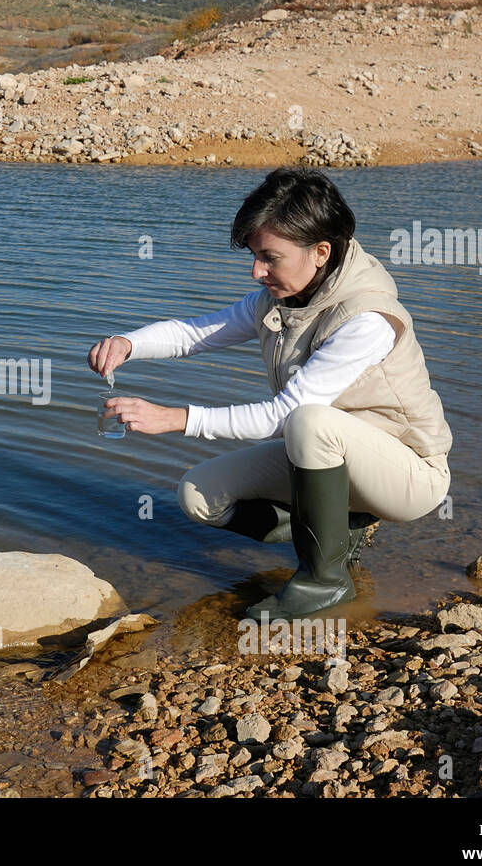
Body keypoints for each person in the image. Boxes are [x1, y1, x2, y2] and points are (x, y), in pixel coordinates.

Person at [86, 167, 452, 621]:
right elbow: (197, 334)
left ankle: (325, 583)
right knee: (200, 495)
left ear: (320, 252)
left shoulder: (365, 319)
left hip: (409, 475)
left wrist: (175, 418)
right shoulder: (283, 298)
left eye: (269, 257)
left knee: (308, 420)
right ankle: (342, 532)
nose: (256, 271)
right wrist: (128, 343)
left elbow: (286, 415)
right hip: (331, 458)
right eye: (255, 255)